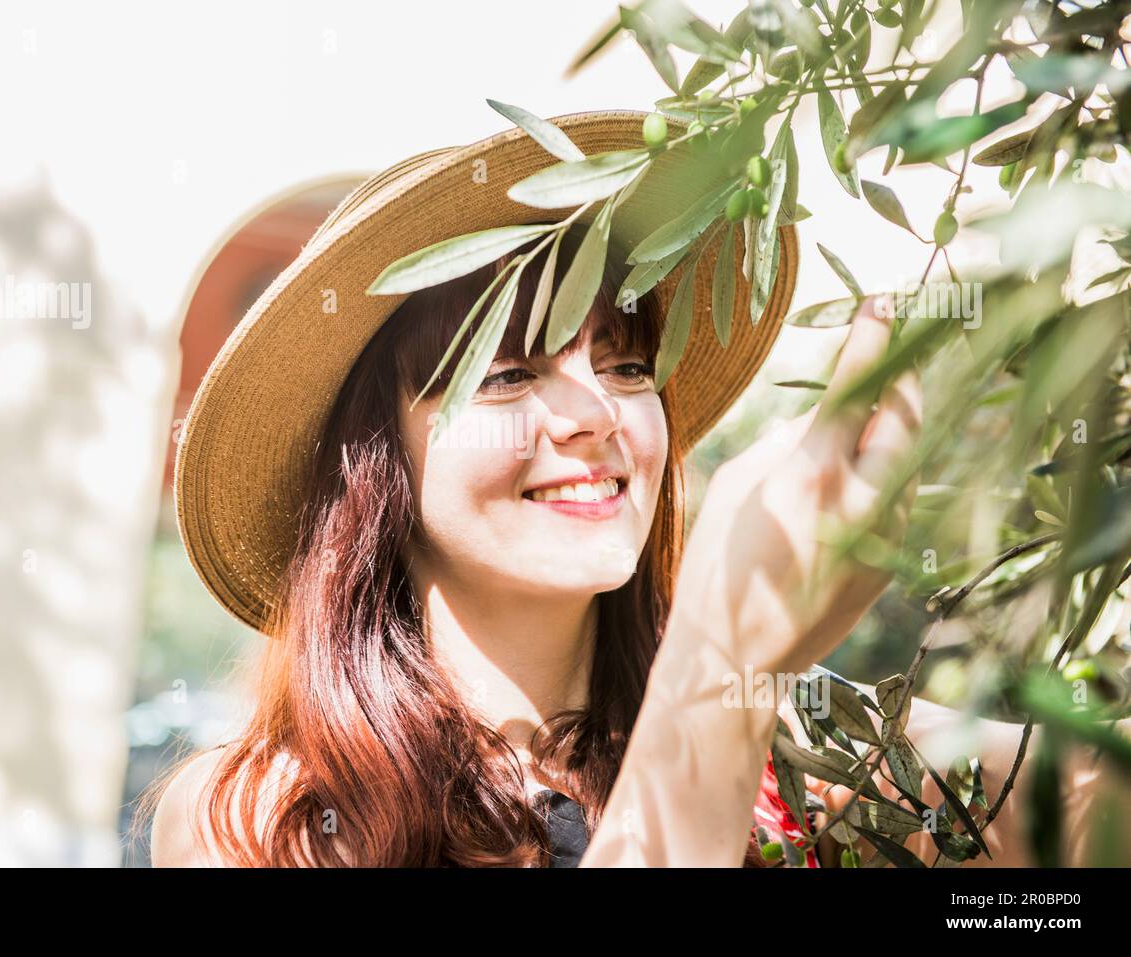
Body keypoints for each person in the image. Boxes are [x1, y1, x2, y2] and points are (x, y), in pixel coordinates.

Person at [140, 110, 1129, 867]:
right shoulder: (257, 816)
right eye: (510, 373)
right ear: (374, 464)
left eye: (623, 366)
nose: (596, 415)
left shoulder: (811, 762)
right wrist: (712, 667)